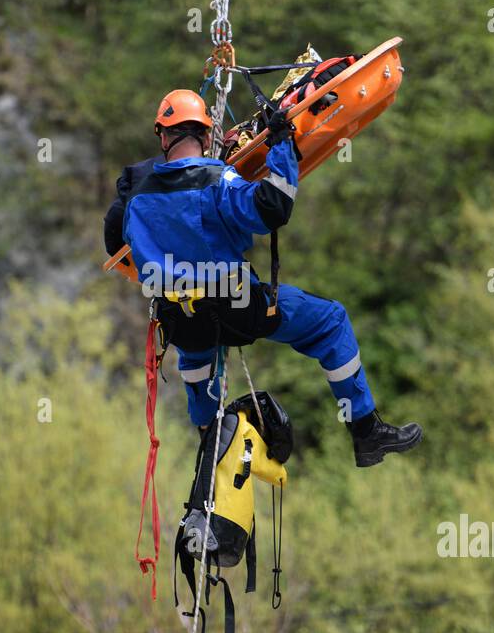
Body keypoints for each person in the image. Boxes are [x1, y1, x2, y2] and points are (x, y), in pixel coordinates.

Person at [104, 88, 422, 467]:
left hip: (182, 323)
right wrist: (282, 146)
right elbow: (273, 206)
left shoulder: (137, 197)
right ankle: (365, 431)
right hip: (239, 310)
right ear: (207, 136)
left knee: (196, 354)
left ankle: (209, 440)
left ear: (162, 136)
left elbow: (115, 242)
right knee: (330, 322)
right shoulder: (218, 180)